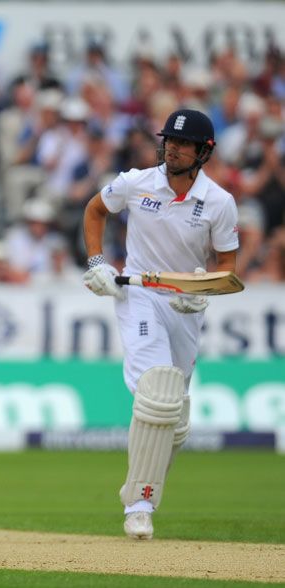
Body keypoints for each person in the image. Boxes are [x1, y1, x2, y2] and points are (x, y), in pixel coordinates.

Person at [82, 109, 239, 540]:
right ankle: (140, 506)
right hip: (138, 293)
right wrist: (98, 263)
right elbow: (95, 210)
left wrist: (202, 291)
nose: (174, 147)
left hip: (185, 306)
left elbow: (227, 265)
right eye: (170, 139)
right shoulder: (135, 182)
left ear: (204, 151)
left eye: (185, 143)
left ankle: (138, 487)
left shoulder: (219, 202)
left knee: (175, 417)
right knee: (157, 389)